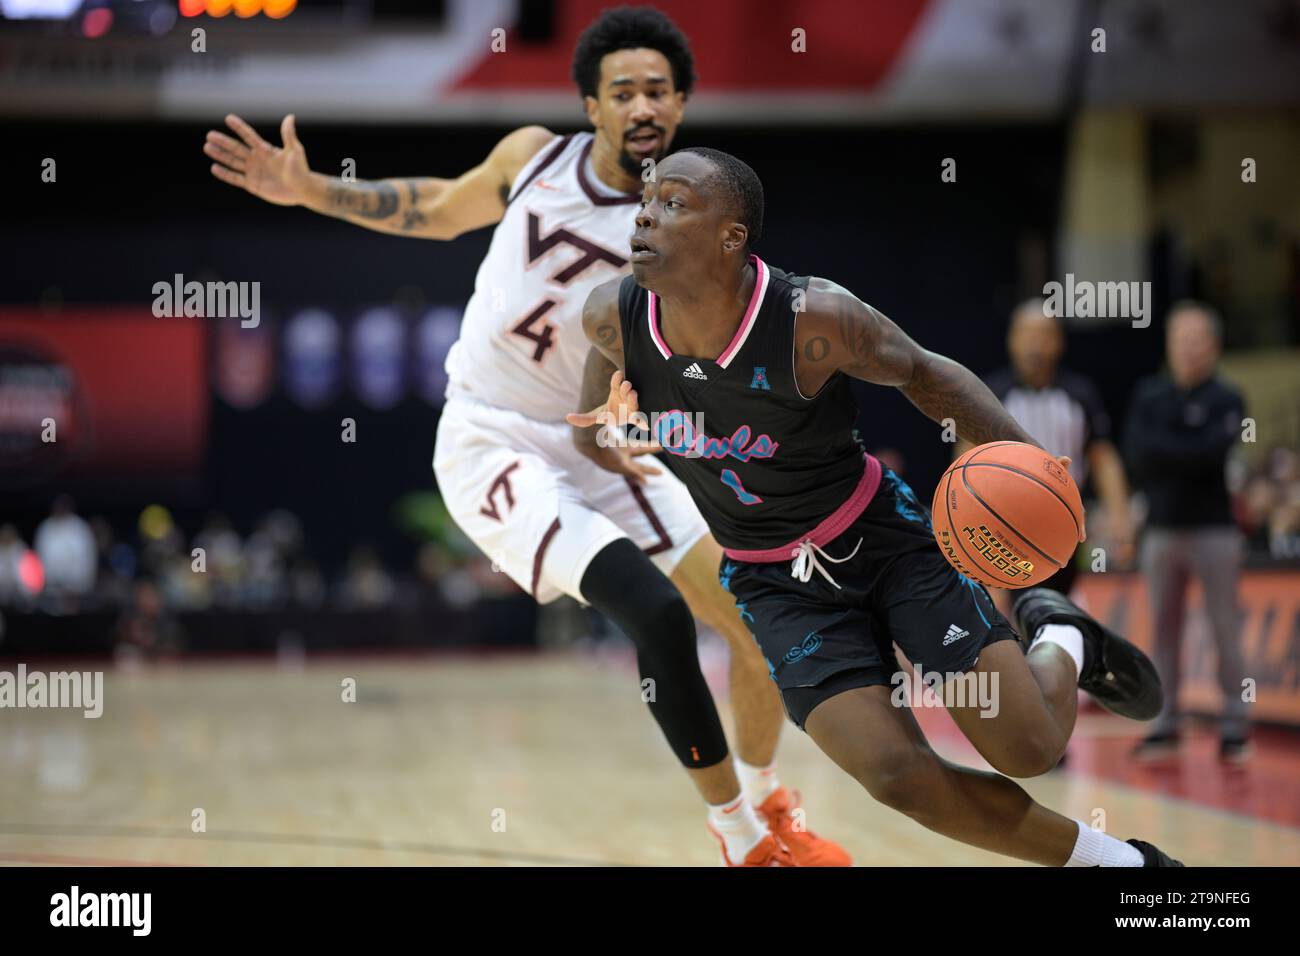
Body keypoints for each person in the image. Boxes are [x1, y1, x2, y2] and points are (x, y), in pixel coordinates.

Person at [203, 6, 844, 866]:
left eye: (658, 90)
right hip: (492, 435)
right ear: (592, 106)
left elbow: (696, 368)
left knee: (766, 627)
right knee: (654, 614)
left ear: (682, 105)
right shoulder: (531, 157)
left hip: (599, 442)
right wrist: (312, 189)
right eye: (623, 91)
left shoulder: (695, 237)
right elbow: (433, 207)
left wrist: (662, 425)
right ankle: (736, 838)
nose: (641, 105)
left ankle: (768, 803)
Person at [570, 147, 1181, 866]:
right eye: (646, 199)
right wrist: (618, 430)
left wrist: (1036, 469)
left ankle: (1063, 632)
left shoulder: (811, 318)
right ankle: (1129, 866)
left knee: (1028, 747)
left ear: (731, 236)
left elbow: (931, 377)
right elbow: (593, 439)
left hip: (882, 545)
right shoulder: (614, 318)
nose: (645, 213)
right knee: (897, 778)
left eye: (673, 203)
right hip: (773, 585)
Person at [1124, 302, 1250, 762]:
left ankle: (1235, 725)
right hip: (1160, 530)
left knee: (1225, 629)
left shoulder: (1229, 398)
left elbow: (1213, 454)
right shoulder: (1148, 394)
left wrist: (1169, 451)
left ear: (1213, 346)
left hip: (1215, 530)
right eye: (1179, 340)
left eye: (1196, 340)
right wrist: (1184, 451)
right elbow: (1138, 454)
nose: (1187, 349)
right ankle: (1165, 722)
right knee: (1161, 631)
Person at [957, 299, 1134, 603]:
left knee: (1053, 607)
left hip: (1063, 523)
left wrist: (1120, 517)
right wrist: (964, 517)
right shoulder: (990, 395)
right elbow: (965, 459)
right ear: (1012, 340)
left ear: (1059, 342)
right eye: (1027, 335)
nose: (1035, 344)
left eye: (1044, 335)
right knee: (1001, 615)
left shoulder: (1080, 395)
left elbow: (1103, 458)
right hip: (1001, 521)